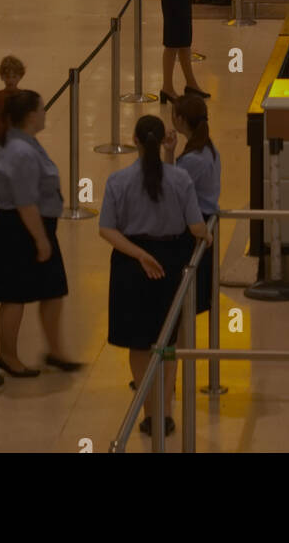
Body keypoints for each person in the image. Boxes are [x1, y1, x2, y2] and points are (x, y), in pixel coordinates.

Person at [98, 114, 210, 437]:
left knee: (139, 343)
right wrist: (207, 235)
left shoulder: (117, 181)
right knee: (168, 340)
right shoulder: (180, 179)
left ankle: (148, 413)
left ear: (134, 140)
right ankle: (165, 414)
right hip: (171, 262)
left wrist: (139, 254)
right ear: (163, 141)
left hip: (131, 264)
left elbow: (106, 229)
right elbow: (195, 226)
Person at [0, 89, 79, 376]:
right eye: (41, 108)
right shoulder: (20, 151)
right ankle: (8, 356)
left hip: (34, 224)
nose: (44, 112)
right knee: (14, 294)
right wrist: (40, 240)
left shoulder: (22, 142)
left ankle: (55, 351)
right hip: (23, 227)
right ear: (29, 116)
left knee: (53, 290)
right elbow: (25, 202)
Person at [163, 94, 221, 313]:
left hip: (194, 230)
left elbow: (171, 190)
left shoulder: (194, 159)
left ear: (179, 119)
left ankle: (180, 347)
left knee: (183, 301)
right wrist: (169, 152)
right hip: (202, 222)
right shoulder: (207, 150)